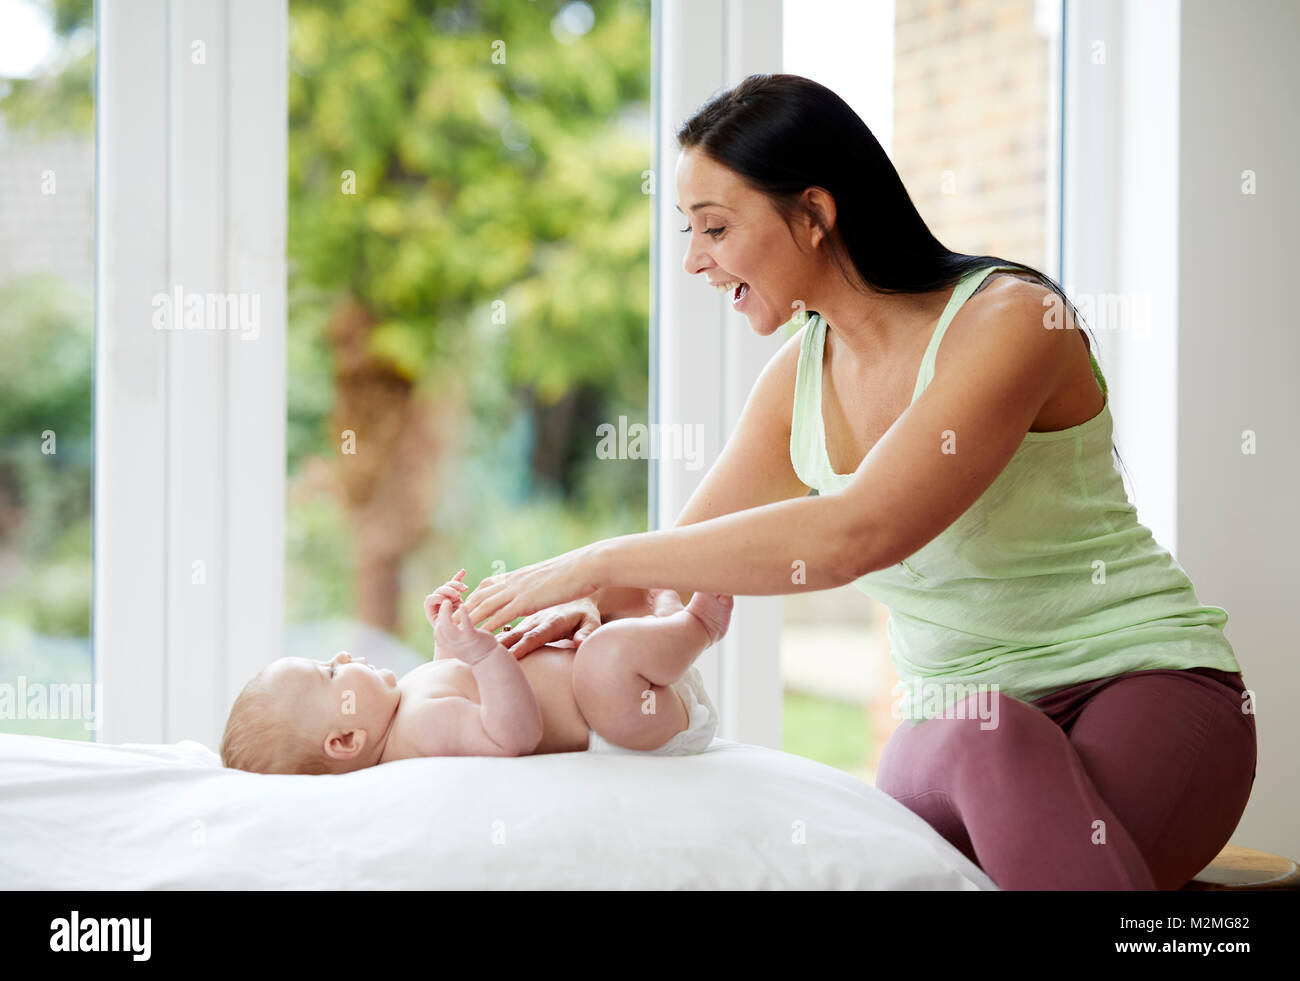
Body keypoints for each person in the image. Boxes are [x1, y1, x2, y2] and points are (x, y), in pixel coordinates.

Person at [457, 73, 1256, 891]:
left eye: (715, 227)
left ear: (813, 213)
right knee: (990, 733)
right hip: (958, 730)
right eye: (690, 232)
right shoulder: (793, 384)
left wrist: (604, 560)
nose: (695, 259)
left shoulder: (1012, 322)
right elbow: (670, 575)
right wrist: (561, 620)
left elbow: (857, 532)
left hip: (1143, 685)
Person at [219, 570, 734, 774]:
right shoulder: (418, 732)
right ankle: (698, 626)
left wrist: (448, 638)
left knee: (600, 646)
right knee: (602, 661)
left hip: (642, 693)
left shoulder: (407, 708)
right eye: (330, 674)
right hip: (630, 723)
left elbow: (456, 680)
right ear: (347, 739)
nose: (345, 658)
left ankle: (665, 616)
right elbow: (513, 734)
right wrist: (486, 655)